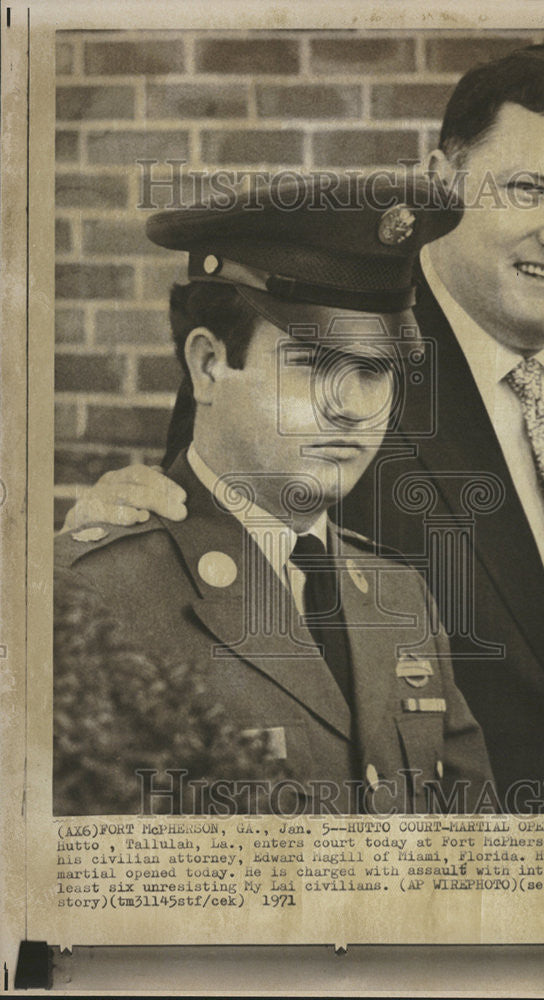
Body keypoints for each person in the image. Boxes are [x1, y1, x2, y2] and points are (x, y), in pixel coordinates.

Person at [62, 45, 544, 813]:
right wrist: (97, 548)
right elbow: (197, 558)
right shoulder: (306, 337)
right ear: (443, 180)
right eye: (528, 189)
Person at [54, 173, 495, 816]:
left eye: (375, 371)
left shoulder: (401, 597)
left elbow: (478, 859)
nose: (351, 409)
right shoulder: (91, 594)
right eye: (314, 364)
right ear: (208, 365)